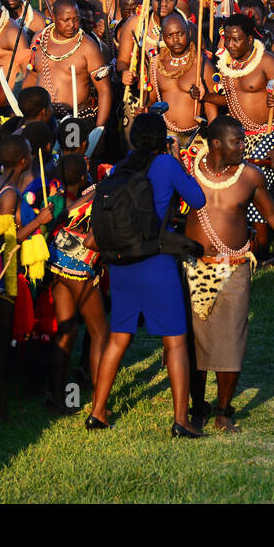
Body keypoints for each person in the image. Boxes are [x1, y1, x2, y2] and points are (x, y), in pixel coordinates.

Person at [184, 115, 274, 433]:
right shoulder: (187, 167)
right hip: (194, 266)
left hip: (236, 267)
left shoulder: (250, 176)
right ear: (215, 144)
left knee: (231, 341)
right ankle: (197, 406)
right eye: (236, 141)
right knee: (195, 341)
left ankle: (223, 411)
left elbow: (273, 214)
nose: (244, 146)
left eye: (244, 140)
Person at [87, 113, 207, 437]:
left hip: (121, 263)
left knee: (118, 338)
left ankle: (97, 412)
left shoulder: (121, 166)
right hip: (157, 261)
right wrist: (176, 163)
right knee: (176, 340)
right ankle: (181, 420)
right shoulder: (166, 165)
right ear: (161, 140)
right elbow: (198, 199)